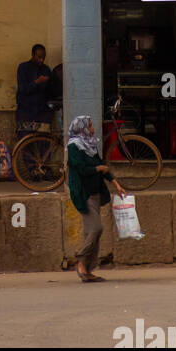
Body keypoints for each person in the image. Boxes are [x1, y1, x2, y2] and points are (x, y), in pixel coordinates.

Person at [67, 114, 126, 282]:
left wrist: (116, 184)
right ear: (82, 128)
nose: (92, 128)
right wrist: (97, 169)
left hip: (96, 193)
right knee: (96, 228)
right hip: (83, 193)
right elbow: (80, 168)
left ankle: (86, 270)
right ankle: (80, 257)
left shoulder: (91, 145)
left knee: (90, 233)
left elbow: (102, 165)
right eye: (90, 125)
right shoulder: (74, 147)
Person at [16, 44, 53, 136]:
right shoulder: (23, 68)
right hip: (26, 110)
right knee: (25, 138)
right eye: (39, 57)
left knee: (43, 138)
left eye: (43, 57)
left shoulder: (46, 69)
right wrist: (37, 82)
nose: (41, 60)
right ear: (32, 55)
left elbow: (49, 91)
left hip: (42, 111)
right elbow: (23, 89)